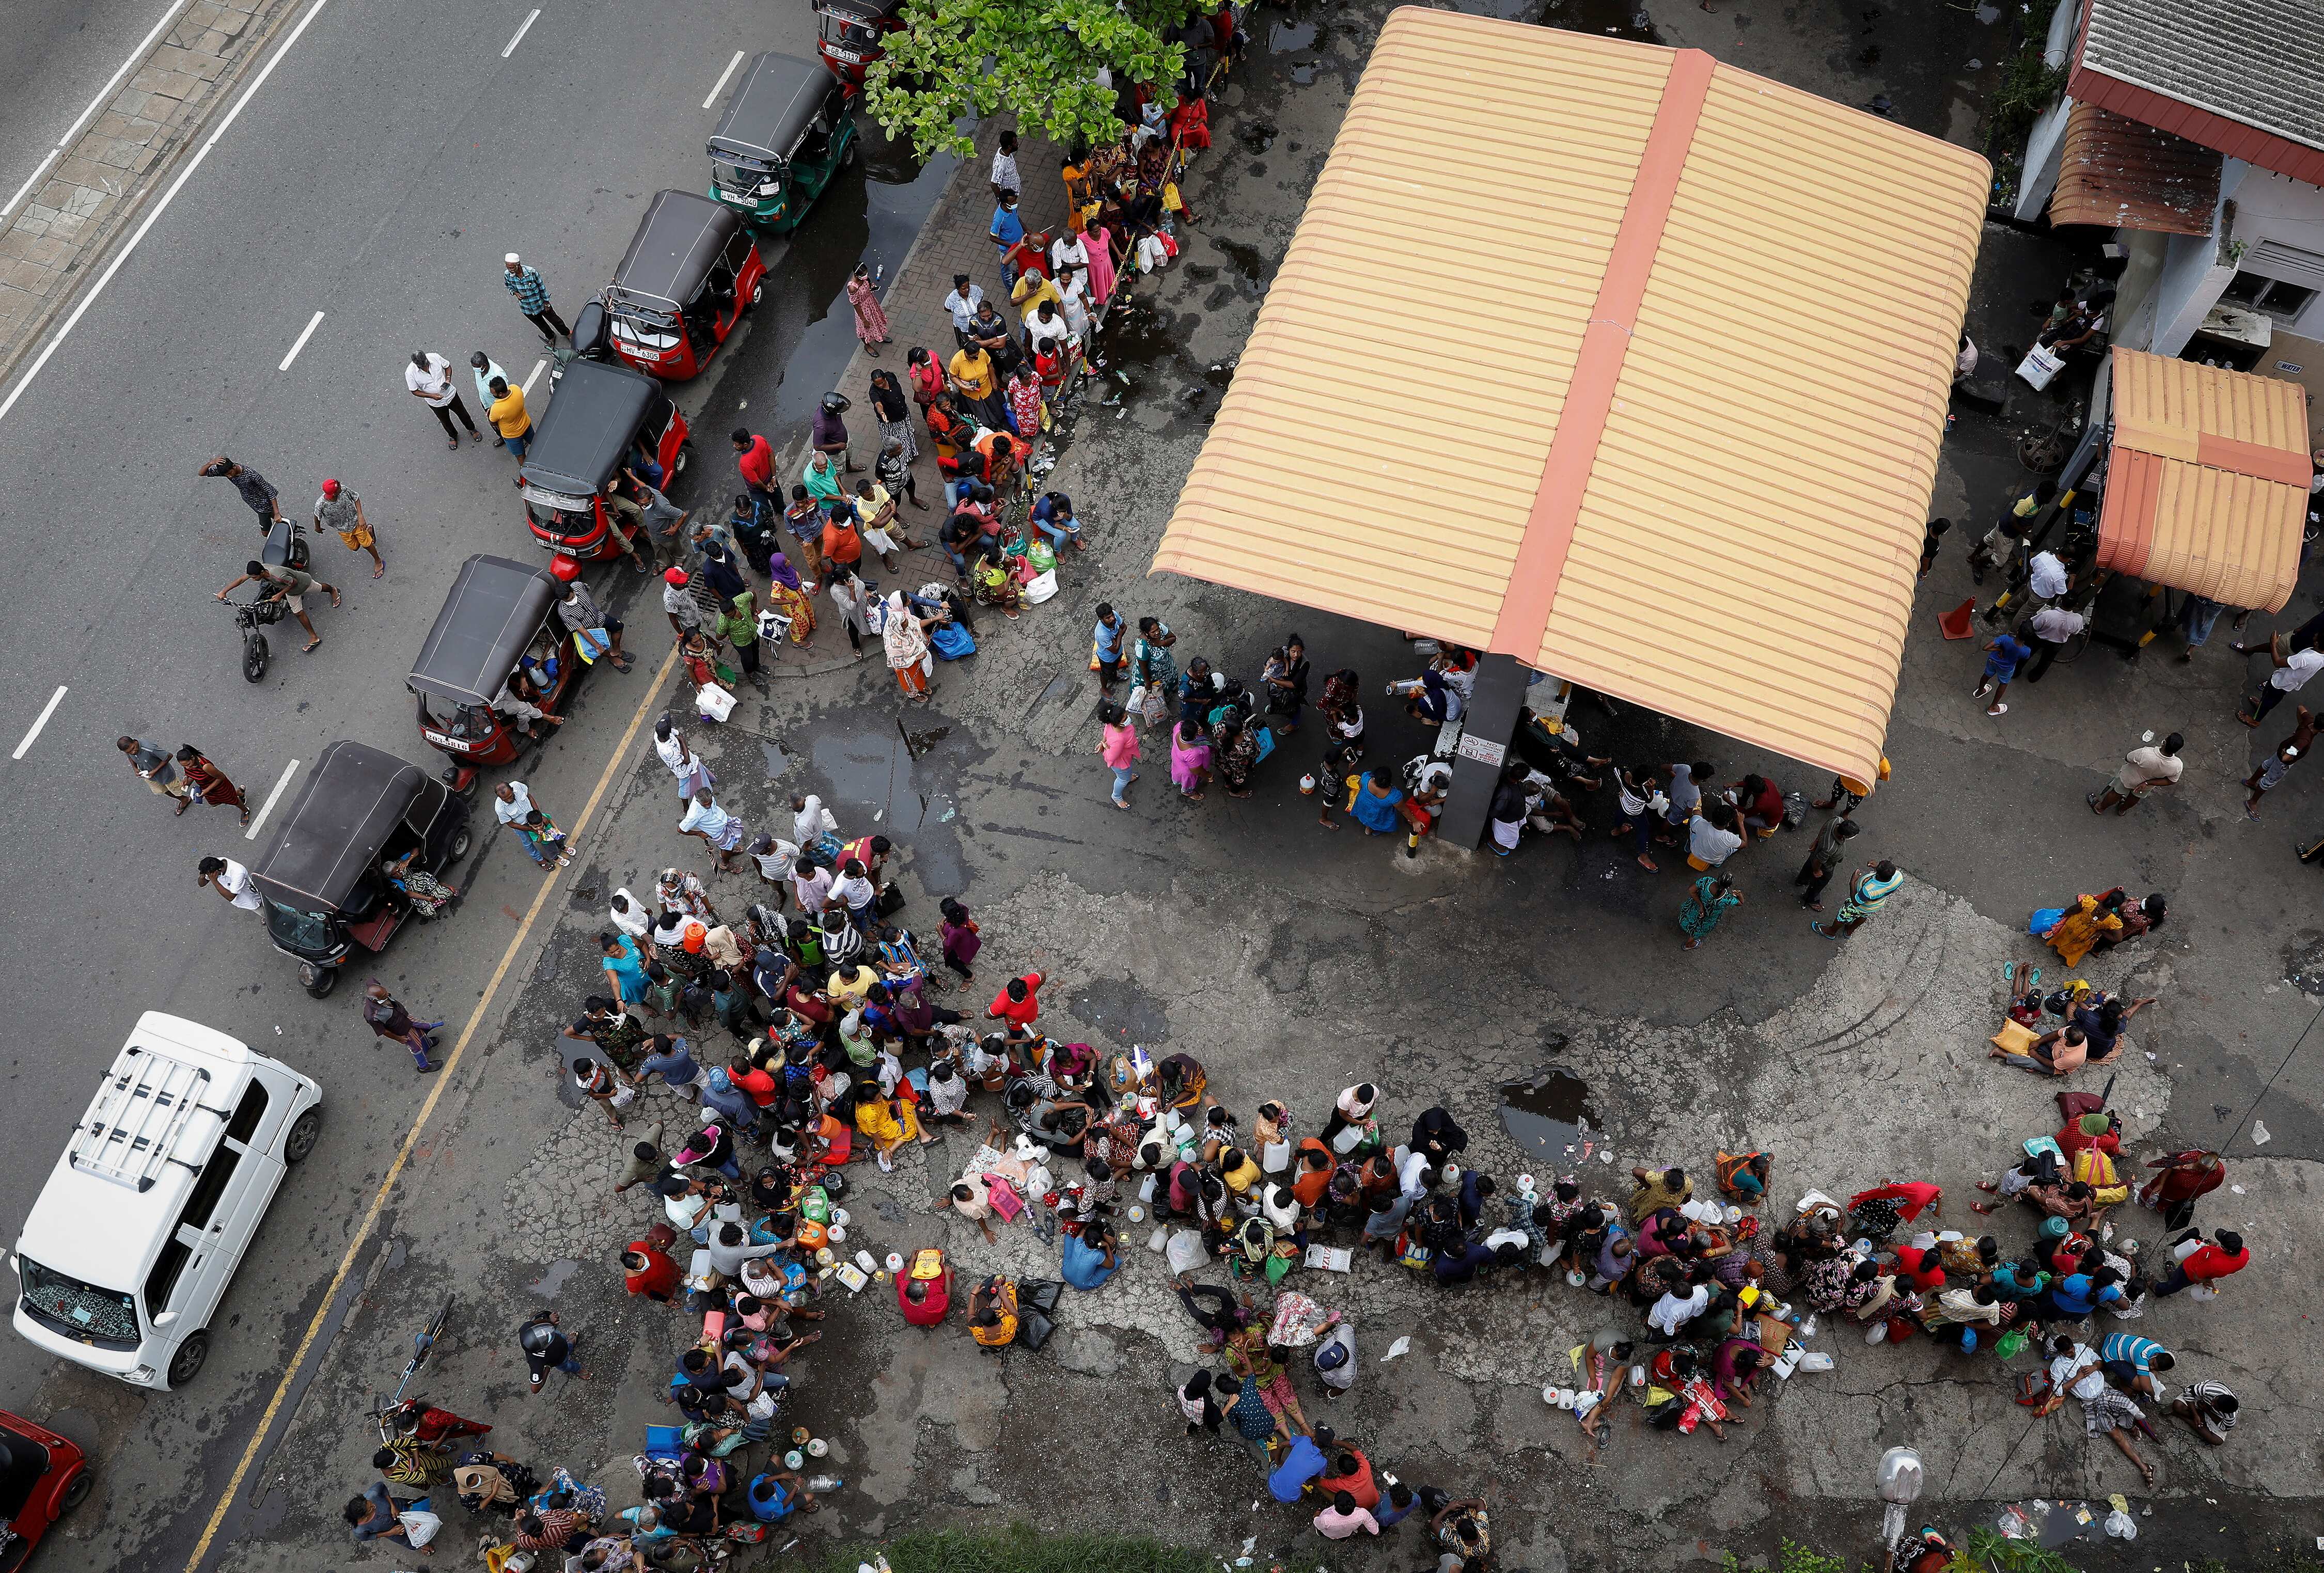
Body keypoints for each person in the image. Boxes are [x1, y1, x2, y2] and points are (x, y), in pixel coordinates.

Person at [214, 558, 338, 653]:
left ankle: (333, 590)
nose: (253, 579)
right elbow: (241, 579)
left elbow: (294, 582)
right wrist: (224, 592)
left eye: (255, 577)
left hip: (302, 584)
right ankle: (314, 637)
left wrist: (280, 595)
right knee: (298, 612)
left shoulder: (277, 576)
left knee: (320, 588)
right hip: (288, 589)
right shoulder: (260, 570)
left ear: (262, 572)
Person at [2239, 628, 2324, 726]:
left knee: (2268, 699)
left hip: (2280, 682)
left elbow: (2277, 662)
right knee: (2270, 699)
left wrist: (2273, 645)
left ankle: (2255, 721)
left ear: (2317, 643)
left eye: (2316, 635)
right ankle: (2261, 706)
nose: (2315, 635)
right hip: (2289, 684)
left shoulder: (2304, 659)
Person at [2089, 731, 2184, 815]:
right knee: (2135, 797)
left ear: (2164, 742)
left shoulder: (2146, 753)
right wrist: (2147, 783)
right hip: (2145, 787)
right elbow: (2171, 781)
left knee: (2116, 793)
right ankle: (2122, 810)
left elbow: (2128, 758)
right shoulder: (2177, 765)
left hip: (2128, 778)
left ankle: (2100, 808)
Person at [311, 477, 385, 578]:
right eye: (338, 487)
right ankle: (369, 530)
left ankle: (378, 561)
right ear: (333, 494)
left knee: (366, 545)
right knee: (355, 547)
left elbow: (356, 498)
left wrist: (360, 516)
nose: (341, 487)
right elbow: (317, 516)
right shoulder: (321, 504)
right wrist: (318, 528)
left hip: (357, 524)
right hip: (343, 530)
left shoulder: (344, 490)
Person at [363, 982, 442, 1073]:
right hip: (401, 1029)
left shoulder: (375, 988)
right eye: (384, 996)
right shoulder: (372, 1016)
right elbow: (384, 1031)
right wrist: (399, 1038)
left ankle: (427, 1044)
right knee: (415, 1046)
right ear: (375, 1001)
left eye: (386, 992)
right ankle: (424, 1067)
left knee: (420, 1031)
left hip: (405, 1018)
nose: (387, 995)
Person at [406, 350, 478, 449]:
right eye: (423, 367)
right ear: (416, 365)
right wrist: (432, 396)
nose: (426, 367)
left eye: (426, 365)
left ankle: (472, 429)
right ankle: (453, 436)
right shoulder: (410, 373)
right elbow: (414, 391)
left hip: (450, 394)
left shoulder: (434, 357)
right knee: (445, 421)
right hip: (435, 403)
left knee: (463, 414)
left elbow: (447, 366)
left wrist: (448, 380)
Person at [2138, 1150, 2223, 1231]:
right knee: (2150, 1194)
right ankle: (2144, 1200)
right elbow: (2171, 1166)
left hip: (2180, 1195)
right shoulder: (2190, 1157)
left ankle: (2159, 1208)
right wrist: (2161, 1184)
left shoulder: (2218, 1173)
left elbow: (2213, 1186)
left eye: (2205, 1171)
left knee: (2166, 1204)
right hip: (2167, 1184)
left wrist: (2196, 1196)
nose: (2200, 1171)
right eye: (2199, 1167)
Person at [1814, 860, 1901, 939]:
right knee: (1863, 915)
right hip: (1875, 905)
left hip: (1861, 906)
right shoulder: (1898, 876)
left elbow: (1856, 903)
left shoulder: (1870, 890)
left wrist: (1852, 882)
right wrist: (1879, 867)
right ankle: (1849, 931)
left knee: (1844, 915)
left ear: (1878, 874)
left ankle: (1831, 932)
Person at [495, 780, 571, 869]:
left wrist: (540, 816)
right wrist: (532, 829)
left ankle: (558, 843)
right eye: (505, 800)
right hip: (522, 826)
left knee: (547, 832)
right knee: (528, 843)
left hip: (535, 818)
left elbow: (530, 797)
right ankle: (540, 860)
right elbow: (511, 824)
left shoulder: (517, 785)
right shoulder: (500, 809)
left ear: (512, 789)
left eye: (511, 796)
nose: (509, 800)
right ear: (499, 798)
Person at [2153, 1227, 2248, 1297]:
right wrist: (2213, 1245)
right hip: (2199, 1269)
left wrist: (2207, 1281)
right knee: (2176, 1277)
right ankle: (2173, 1276)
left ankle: (2159, 1289)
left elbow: (2196, 1277)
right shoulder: (2245, 1255)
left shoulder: (2214, 1263)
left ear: (2224, 1248)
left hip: (2188, 1272)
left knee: (2175, 1284)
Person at [199, 456, 286, 531]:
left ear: (234, 467)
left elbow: (269, 490)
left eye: (230, 473)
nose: (230, 476)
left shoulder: (251, 475)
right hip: (253, 502)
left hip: (263, 505)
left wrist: (277, 512)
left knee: (266, 532)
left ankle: (287, 534)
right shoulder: (227, 471)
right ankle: (290, 530)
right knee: (278, 519)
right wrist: (211, 463)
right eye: (227, 475)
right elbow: (202, 473)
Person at [1795, 815, 1859, 911]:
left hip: (1816, 852)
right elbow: (1819, 861)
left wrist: (1817, 841)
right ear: (1844, 836)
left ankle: (1801, 880)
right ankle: (1811, 899)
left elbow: (1825, 827)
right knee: (1820, 881)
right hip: (1825, 866)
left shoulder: (1837, 820)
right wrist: (1817, 871)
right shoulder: (1830, 848)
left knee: (1809, 865)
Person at [503, 253, 570, 344]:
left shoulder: (532, 272)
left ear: (518, 265)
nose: (510, 270)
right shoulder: (507, 275)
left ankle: (567, 334)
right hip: (527, 308)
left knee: (556, 321)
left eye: (512, 268)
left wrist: (547, 303)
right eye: (508, 267)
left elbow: (542, 288)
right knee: (542, 326)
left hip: (541, 304)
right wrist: (515, 293)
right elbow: (509, 287)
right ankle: (551, 336)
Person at [884, 591, 937, 702]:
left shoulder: (900, 622)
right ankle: (915, 695)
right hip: (907, 667)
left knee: (919, 676)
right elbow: (897, 663)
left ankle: (922, 687)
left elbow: (916, 625)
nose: (908, 622)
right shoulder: (894, 645)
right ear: (900, 626)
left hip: (916, 659)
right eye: (905, 622)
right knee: (911, 682)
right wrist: (916, 658)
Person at [517, 1310, 586, 1392]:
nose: (546, 1334)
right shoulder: (535, 1362)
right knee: (568, 1366)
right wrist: (547, 1369)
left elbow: (534, 1322)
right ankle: (579, 1369)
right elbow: (535, 1389)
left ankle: (570, 1344)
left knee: (564, 1338)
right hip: (559, 1360)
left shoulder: (526, 1328)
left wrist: (550, 1321)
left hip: (560, 1340)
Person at [1678, 871, 1741, 951]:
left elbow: (1691, 890)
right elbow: (1741, 903)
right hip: (1709, 917)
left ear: (1718, 878)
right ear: (1728, 887)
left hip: (1695, 908)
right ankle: (1688, 945)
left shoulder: (1707, 881)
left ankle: (1684, 924)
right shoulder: (1727, 899)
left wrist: (1701, 905)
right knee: (1699, 929)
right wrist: (1739, 894)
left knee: (1690, 916)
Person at [1974, 632, 2030, 716]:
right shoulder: (2026, 650)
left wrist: (1999, 649)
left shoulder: (2005, 638)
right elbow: (2025, 657)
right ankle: (1993, 707)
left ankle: (1980, 691)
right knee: (2003, 684)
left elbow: (1985, 648)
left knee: (1987, 675)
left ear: (2018, 631)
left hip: (1993, 661)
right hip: (2006, 668)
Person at [2169, 1381, 2239, 1445]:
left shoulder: (2231, 1417)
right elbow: (2188, 1391)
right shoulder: (2209, 1390)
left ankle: (2182, 1417)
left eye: (2215, 1406)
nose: (2212, 1403)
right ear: (2219, 1396)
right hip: (2201, 1400)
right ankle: (2198, 1418)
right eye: (2214, 1401)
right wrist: (2195, 1415)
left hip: (2212, 1414)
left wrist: (2207, 1410)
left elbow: (2224, 1427)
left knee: (2217, 1441)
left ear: (2222, 1411)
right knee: (2178, 1406)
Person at [1099, 701, 1140, 809]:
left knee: (1126, 774)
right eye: (1125, 719)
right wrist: (1106, 747)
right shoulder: (1119, 740)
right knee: (1122, 780)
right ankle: (1116, 797)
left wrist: (1102, 742)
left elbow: (1106, 733)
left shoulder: (1110, 724)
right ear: (1117, 723)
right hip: (1121, 763)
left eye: (1127, 716)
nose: (1128, 719)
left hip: (1126, 758)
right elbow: (1111, 757)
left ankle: (1128, 777)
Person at [845, 263, 891, 354]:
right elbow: (856, 304)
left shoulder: (864, 278)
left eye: (866, 273)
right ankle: (867, 346)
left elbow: (867, 285)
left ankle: (879, 337)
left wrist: (871, 288)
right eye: (863, 275)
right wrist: (864, 320)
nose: (866, 276)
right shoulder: (852, 287)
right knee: (864, 328)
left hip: (871, 304)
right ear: (856, 275)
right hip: (863, 310)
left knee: (876, 320)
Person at [197, 854, 264, 912]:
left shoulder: (238, 873)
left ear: (218, 871)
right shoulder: (215, 865)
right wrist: (202, 876)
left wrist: (215, 881)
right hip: (243, 901)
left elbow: (231, 897)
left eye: (209, 874)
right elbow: (202, 884)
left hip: (253, 898)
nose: (208, 876)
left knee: (263, 910)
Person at [487, 375, 531, 461]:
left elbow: (493, 422)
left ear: (500, 394)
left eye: (493, 394)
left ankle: (526, 473)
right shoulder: (516, 389)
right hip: (526, 425)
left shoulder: (497, 409)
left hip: (513, 436)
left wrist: (491, 412)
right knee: (536, 445)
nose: (492, 395)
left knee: (521, 456)